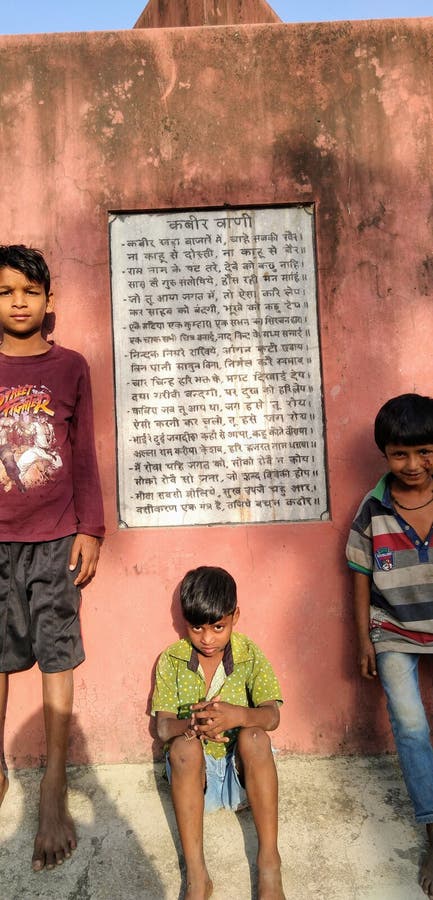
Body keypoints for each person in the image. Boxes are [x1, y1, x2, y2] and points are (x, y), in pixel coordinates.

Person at [0, 245, 104, 871]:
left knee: (56, 655)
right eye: (5, 291)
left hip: (55, 539)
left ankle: (53, 786)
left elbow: (84, 453)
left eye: (29, 292)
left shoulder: (70, 368)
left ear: (49, 302)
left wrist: (90, 527)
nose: (17, 302)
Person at [151, 565, 285, 900]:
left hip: (241, 779)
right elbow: (163, 726)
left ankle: (269, 863)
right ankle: (198, 876)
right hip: (196, 782)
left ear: (235, 616)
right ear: (184, 621)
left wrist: (239, 716)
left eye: (218, 627)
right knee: (182, 747)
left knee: (256, 737)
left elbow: (272, 716)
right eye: (197, 627)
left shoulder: (249, 654)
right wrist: (192, 726)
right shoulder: (171, 659)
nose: (207, 638)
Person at [346, 393, 433, 899]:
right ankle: (432, 832)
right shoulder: (374, 507)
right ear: (385, 455)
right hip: (393, 630)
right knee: (412, 728)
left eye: (425, 452)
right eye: (400, 454)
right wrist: (365, 642)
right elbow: (359, 576)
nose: (413, 465)